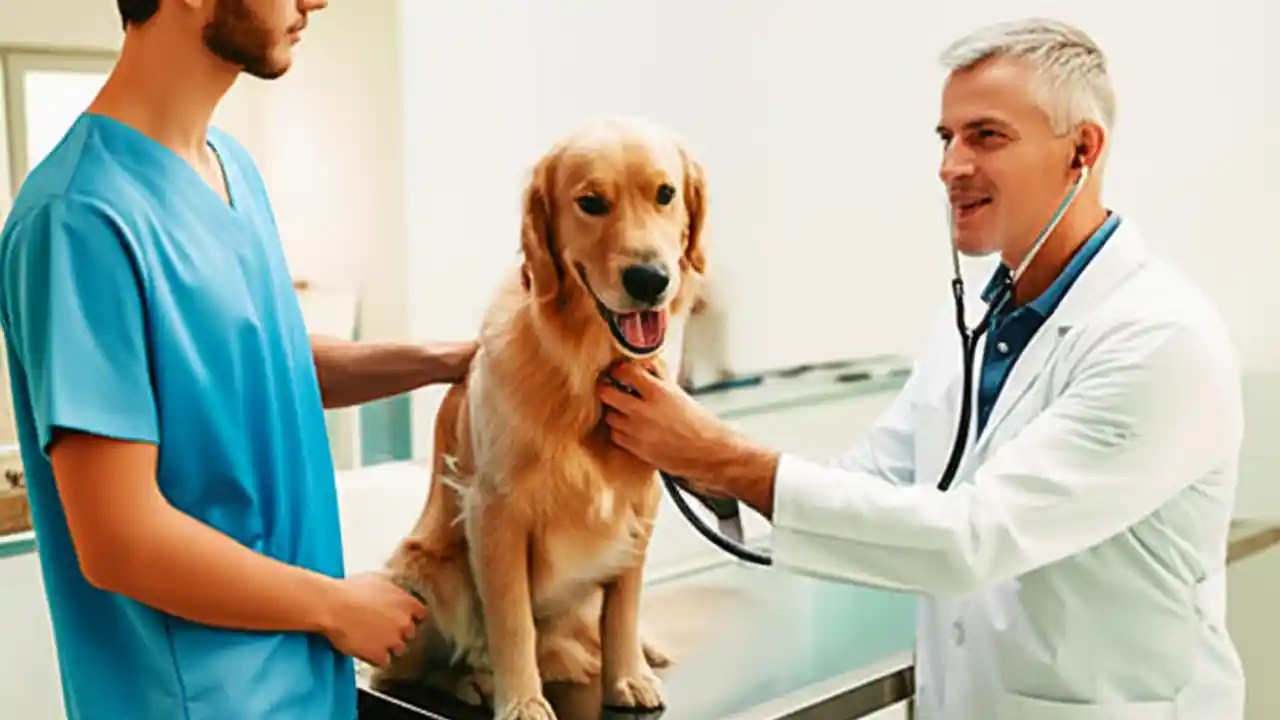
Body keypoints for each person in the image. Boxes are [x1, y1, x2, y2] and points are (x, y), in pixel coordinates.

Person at [598, 17, 1246, 720]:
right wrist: (695, 459)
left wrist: (721, 457)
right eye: (946, 138)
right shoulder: (978, 317)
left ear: (1082, 151)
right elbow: (876, 476)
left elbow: (974, 538)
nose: (951, 166)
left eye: (986, 135)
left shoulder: (1160, 340)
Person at [0, 1, 476, 719]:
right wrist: (335, 606)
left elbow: (261, 367)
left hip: (306, 689)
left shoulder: (231, 169)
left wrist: (449, 359)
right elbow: (119, 540)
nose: (315, 0)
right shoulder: (79, 219)